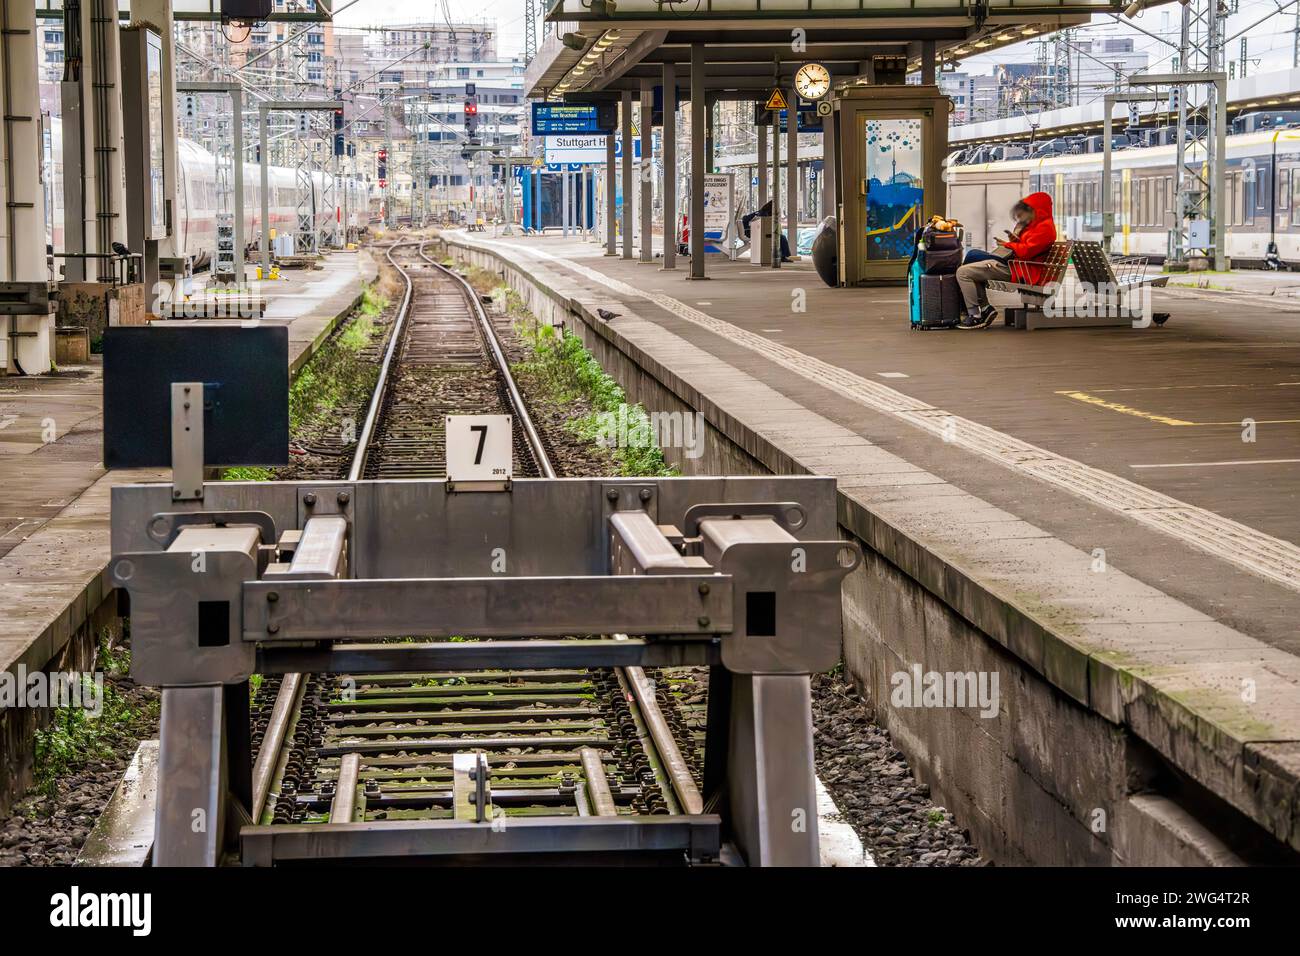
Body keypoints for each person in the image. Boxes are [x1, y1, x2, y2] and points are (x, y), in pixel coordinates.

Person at [954, 192, 1055, 329]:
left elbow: (1026, 252)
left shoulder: (1045, 228)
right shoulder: (1037, 226)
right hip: (1018, 266)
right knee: (970, 263)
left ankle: (976, 315)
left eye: (1027, 210)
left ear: (1037, 209)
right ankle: (983, 310)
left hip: (1022, 271)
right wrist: (1015, 239)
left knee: (963, 272)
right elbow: (1028, 247)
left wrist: (1008, 245)